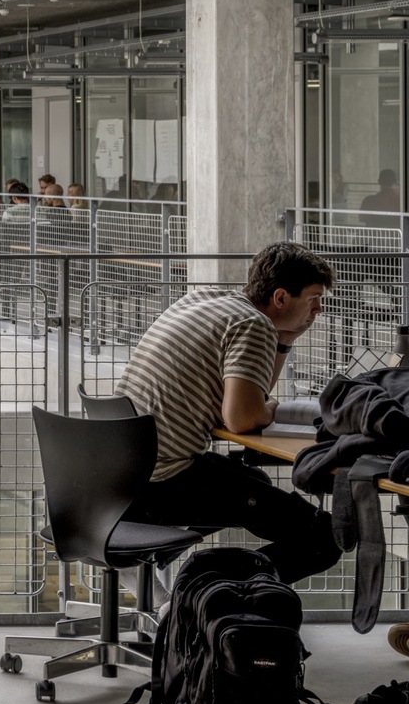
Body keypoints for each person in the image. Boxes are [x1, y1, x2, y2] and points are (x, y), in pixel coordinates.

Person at [115, 242, 341, 584]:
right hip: (162, 481)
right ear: (280, 298)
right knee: (322, 539)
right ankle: (202, 593)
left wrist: (284, 341)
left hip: (122, 471)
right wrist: (271, 409)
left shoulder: (206, 299)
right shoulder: (253, 324)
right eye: (313, 299)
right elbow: (242, 418)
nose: (318, 310)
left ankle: (158, 558)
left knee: (253, 482)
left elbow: (243, 399)